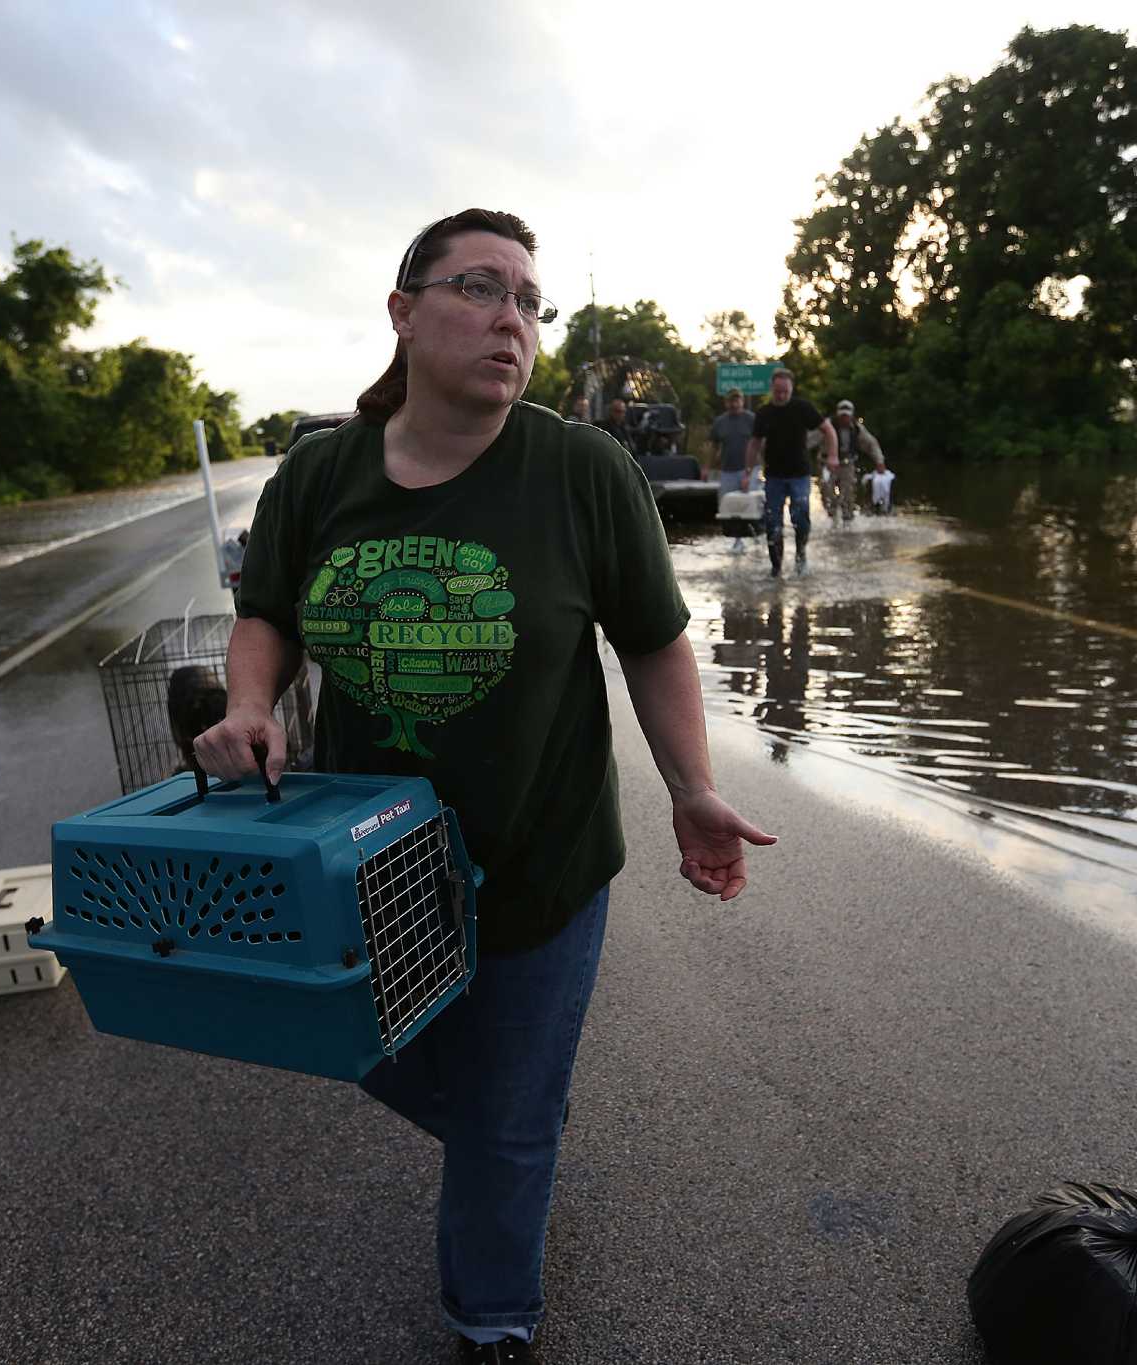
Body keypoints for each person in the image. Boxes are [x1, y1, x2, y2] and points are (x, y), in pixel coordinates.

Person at [194, 208, 775, 1364]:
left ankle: (490, 1317)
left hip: (537, 858)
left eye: (528, 301)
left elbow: (652, 640)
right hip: (365, 857)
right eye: (478, 287)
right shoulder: (319, 475)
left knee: (506, 1117)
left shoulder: (581, 469)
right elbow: (264, 613)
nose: (511, 318)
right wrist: (250, 703)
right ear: (404, 313)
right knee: (373, 1054)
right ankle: (515, 1136)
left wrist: (690, 787)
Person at [744, 368, 837, 578]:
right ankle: (776, 568)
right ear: (772, 389)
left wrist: (833, 455)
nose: (781, 395)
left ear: (791, 389)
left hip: (800, 474)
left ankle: (801, 554)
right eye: (778, 391)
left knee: (801, 515)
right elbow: (754, 443)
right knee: (772, 523)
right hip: (774, 476)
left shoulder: (802, 407)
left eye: (785, 391)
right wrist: (748, 470)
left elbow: (828, 430)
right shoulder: (764, 413)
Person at [827, 400, 881, 523]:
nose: (844, 418)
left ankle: (848, 520)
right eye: (842, 415)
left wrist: (879, 461)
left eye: (846, 415)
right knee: (828, 493)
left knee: (848, 494)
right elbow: (810, 440)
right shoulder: (827, 426)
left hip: (847, 464)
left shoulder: (857, 428)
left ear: (851, 415)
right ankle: (832, 518)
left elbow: (871, 444)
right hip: (827, 464)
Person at [708, 387, 755, 494]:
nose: (734, 404)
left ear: (742, 401)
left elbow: (759, 444)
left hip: (749, 471)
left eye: (737, 400)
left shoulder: (752, 419)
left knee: (749, 505)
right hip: (727, 472)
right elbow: (713, 446)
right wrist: (707, 468)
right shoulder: (719, 422)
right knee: (727, 504)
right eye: (731, 401)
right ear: (726, 403)